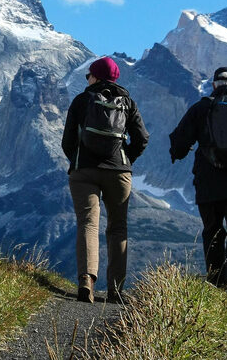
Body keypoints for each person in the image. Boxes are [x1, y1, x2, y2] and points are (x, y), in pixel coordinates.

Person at [62, 56, 149, 303]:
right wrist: (125, 159)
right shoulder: (128, 103)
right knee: (118, 227)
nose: (87, 79)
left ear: (96, 77)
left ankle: (86, 281)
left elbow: (67, 140)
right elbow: (142, 138)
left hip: (84, 171)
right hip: (118, 171)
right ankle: (116, 290)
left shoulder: (81, 101)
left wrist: (79, 160)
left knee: (88, 223)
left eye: (88, 75)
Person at [169, 66, 227, 293]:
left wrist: (178, 152)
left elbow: (179, 143)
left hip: (208, 184)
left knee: (212, 232)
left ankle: (216, 284)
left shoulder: (201, 108)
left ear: (214, 85)